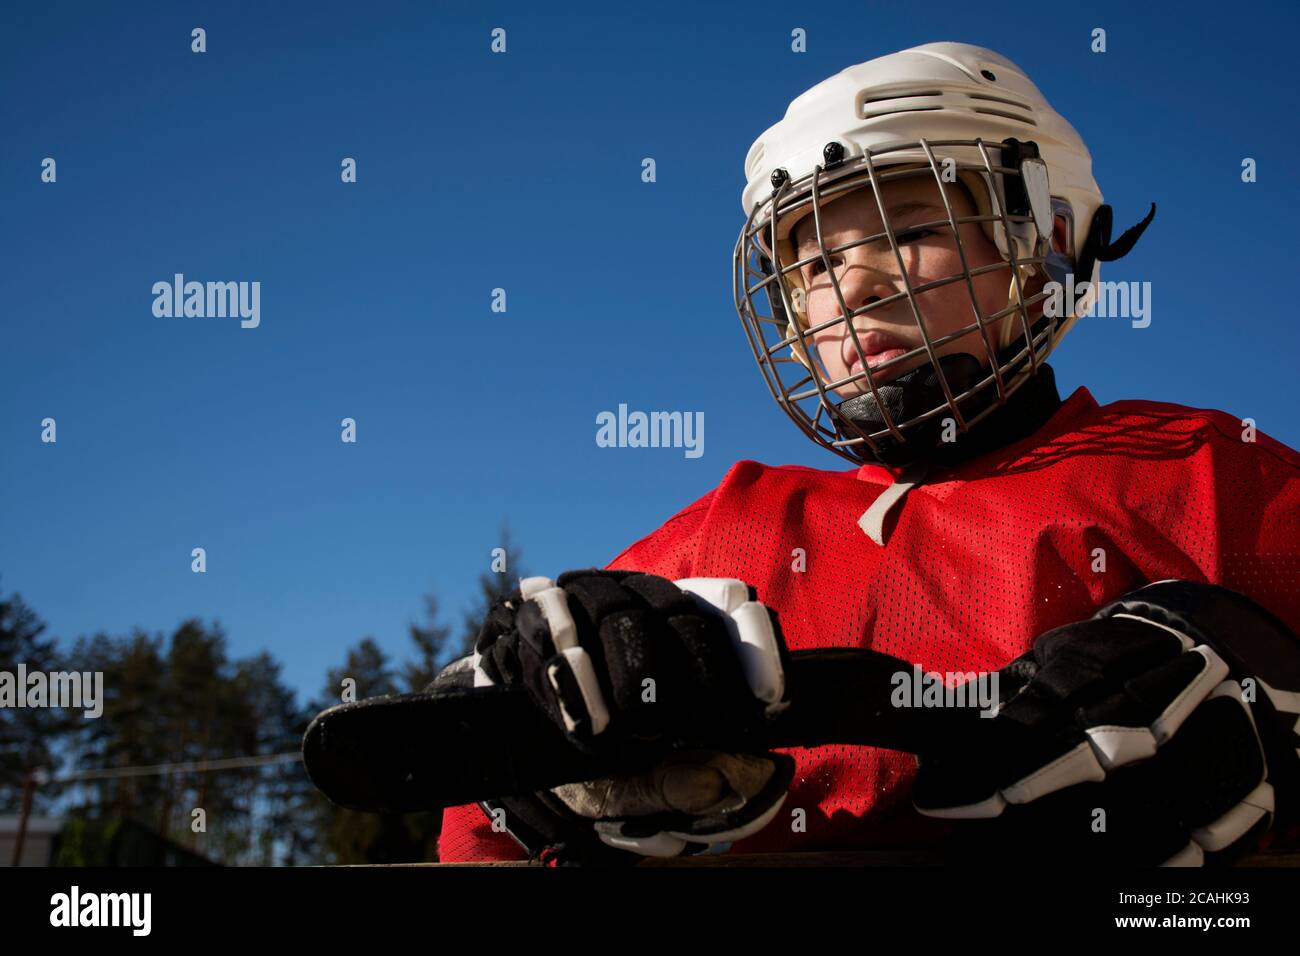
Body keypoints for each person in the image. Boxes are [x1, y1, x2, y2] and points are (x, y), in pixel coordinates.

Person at [435, 42, 1300, 866]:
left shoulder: (1210, 478)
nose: (851, 288)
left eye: (906, 230)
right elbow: (469, 824)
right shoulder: (714, 540)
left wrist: (1276, 717)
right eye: (809, 266)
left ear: (1042, 248)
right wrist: (536, 773)